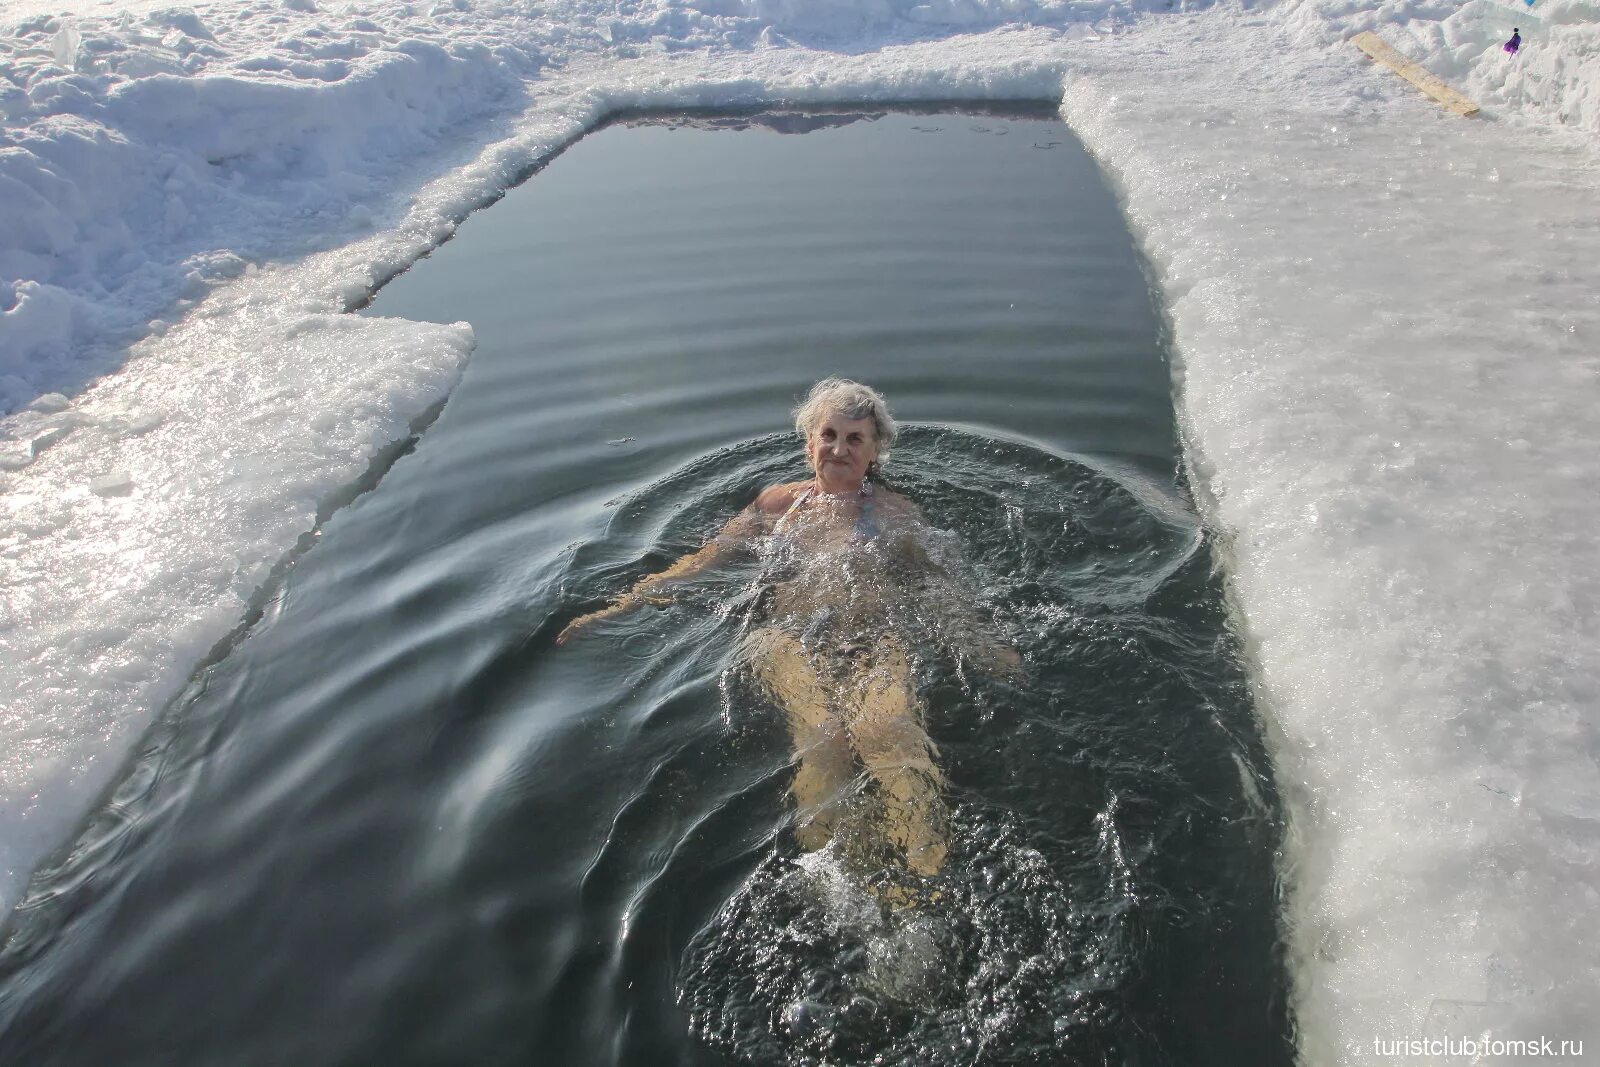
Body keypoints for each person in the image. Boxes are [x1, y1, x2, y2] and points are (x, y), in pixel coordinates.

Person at [559, 379, 1020, 893]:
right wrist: (619, 607)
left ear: (874, 453)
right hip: (785, 640)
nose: (839, 449)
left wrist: (980, 643)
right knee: (822, 741)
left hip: (873, 637)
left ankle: (925, 883)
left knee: (891, 733)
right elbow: (698, 564)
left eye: (854, 440)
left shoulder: (896, 514)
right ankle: (841, 886)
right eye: (829, 435)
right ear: (809, 444)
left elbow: (941, 587)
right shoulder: (775, 506)